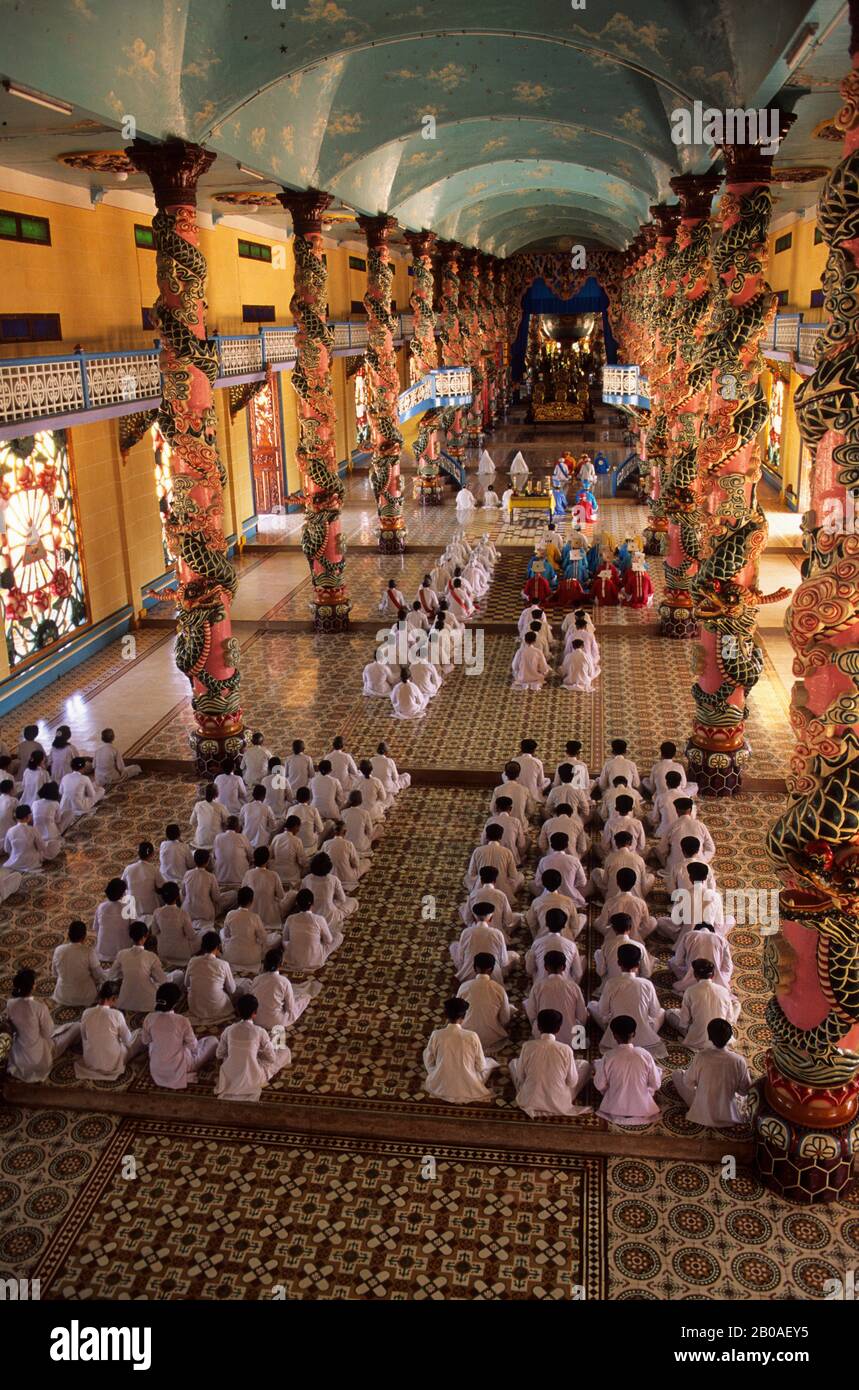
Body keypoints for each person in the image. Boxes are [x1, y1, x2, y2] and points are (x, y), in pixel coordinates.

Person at [510, 1008, 592, 1117]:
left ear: (538, 1027)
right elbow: (572, 1082)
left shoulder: (528, 1046)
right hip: (558, 1102)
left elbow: (521, 1077)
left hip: (529, 1100)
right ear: (558, 1029)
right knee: (585, 1065)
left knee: (513, 1063)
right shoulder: (565, 1049)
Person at [588, 943, 666, 1055]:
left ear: (619, 963)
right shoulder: (647, 984)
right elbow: (654, 1013)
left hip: (618, 1035)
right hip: (644, 1039)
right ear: (638, 964)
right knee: (662, 1012)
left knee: (592, 1005)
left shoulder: (611, 984)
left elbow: (603, 1012)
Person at [671, 1018, 751, 1127]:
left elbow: (688, 1083)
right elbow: (744, 1091)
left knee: (677, 1073)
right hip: (729, 1115)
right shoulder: (739, 1060)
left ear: (709, 1037)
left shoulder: (701, 1056)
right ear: (729, 1037)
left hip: (701, 1112)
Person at [6, 967, 81, 1081]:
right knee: (76, 1027)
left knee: (59, 1028)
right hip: (38, 1059)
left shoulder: (10, 1004)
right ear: (33, 986)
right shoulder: (39, 1008)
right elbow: (48, 1033)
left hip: (18, 1058)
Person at [141, 982, 218, 1090]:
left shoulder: (149, 1018)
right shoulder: (182, 1020)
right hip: (182, 1067)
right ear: (176, 1002)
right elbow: (194, 1046)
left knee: (154, 1044)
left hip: (157, 1068)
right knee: (213, 1041)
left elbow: (145, 1041)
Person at [215, 993, 292, 1101]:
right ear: (255, 1013)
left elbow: (219, 1054)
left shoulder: (229, 1030)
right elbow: (271, 1058)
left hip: (230, 1075)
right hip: (254, 1075)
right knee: (285, 1051)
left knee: (232, 1054)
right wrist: (257, 1053)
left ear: (238, 1011)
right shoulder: (259, 1031)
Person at [422, 997, 499, 1103]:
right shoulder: (472, 1036)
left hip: (440, 1084)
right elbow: (481, 1066)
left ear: (446, 1016)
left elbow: (429, 1060)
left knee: (426, 1052)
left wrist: (435, 1072)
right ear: (464, 1017)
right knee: (490, 1062)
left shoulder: (436, 1034)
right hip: (469, 1084)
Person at [592, 1016, 663, 1124]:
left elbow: (599, 1085)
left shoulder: (609, 1056)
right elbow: (656, 1085)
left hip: (613, 1107)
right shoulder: (645, 1054)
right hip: (644, 1108)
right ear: (634, 1034)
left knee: (598, 1065)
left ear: (614, 1036)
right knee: (658, 1071)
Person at [236, 944, 317, 1033]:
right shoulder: (284, 981)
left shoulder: (257, 979)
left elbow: (252, 1000)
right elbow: (289, 1008)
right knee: (304, 997)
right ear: (281, 964)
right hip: (276, 1022)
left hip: (256, 1019)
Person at [75, 980, 144, 1081]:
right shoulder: (116, 1014)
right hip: (112, 1063)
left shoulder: (86, 1012)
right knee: (139, 1034)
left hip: (90, 1062)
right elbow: (128, 1042)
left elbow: (84, 1037)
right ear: (113, 998)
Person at [664, 959, 741, 1050]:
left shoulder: (690, 991)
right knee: (736, 1004)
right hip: (721, 1036)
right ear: (713, 975)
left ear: (695, 975)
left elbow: (684, 1022)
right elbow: (729, 1019)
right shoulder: (723, 991)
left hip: (697, 1039)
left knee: (669, 1013)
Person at [111, 920, 183, 1013]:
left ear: (130, 936)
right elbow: (162, 981)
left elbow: (111, 975)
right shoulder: (151, 956)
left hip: (125, 1001)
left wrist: (128, 975)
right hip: (149, 1002)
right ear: (145, 936)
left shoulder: (121, 954)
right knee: (179, 974)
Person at [524, 950, 587, 1047]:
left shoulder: (538, 986)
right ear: (564, 967)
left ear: (545, 967)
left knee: (526, 1003)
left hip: (542, 1036)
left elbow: (531, 1014)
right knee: (582, 1026)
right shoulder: (573, 987)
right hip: (572, 1040)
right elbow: (582, 1016)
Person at [456, 953, 514, 1050]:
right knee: (510, 1009)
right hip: (492, 1038)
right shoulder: (499, 989)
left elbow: (457, 1013)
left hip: (466, 1036)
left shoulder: (464, 986)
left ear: (474, 968)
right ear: (491, 970)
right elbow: (505, 1019)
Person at [282, 887, 342, 971]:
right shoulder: (319, 919)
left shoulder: (290, 919)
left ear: (297, 904)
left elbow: (285, 940)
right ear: (313, 903)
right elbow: (328, 941)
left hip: (294, 959)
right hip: (315, 960)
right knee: (339, 936)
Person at [184, 932, 236, 1026]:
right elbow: (232, 990)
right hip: (217, 1008)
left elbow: (186, 984)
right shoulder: (223, 964)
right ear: (218, 946)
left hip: (196, 1008)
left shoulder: (193, 961)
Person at [52, 920, 106, 1006]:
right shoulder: (88, 952)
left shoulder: (58, 950)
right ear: (84, 936)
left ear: (68, 935)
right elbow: (99, 975)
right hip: (85, 996)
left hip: (62, 995)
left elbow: (55, 973)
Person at [220, 886, 273, 974]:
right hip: (251, 959)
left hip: (231, 956)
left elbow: (227, 935)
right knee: (273, 938)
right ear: (251, 901)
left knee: (221, 931)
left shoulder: (230, 914)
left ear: (237, 900)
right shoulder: (254, 917)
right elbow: (263, 938)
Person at [301, 849, 357, 927]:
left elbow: (303, 899)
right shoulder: (333, 879)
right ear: (329, 866)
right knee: (353, 902)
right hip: (330, 918)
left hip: (311, 917)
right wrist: (331, 902)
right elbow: (342, 899)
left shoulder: (306, 879)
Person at [151, 881, 199, 966]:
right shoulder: (183, 913)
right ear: (177, 896)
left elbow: (154, 932)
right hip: (182, 953)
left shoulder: (157, 912)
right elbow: (191, 936)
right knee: (203, 934)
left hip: (163, 952)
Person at [183, 848, 228, 933]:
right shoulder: (210, 877)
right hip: (205, 913)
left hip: (188, 911)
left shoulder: (187, 874)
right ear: (207, 862)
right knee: (232, 896)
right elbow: (216, 898)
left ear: (194, 861)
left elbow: (183, 893)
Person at [121, 841, 165, 924]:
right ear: (152, 854)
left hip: (131, 908)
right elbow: (161, 887)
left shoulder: (128, 868)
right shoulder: (153, 869)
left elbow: (122, 886)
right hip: (150, 907)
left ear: (138, 853)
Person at [58, 758, 105, 832]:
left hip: (64, 806)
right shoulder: (84, 778)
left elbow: (61, 792)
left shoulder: (65, 777)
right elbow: (92, 794)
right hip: (80, 806)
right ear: (83, 767)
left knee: (92, 786)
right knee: (101, 790)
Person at [4, 804, 54, 871]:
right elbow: (41, 847)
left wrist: (17, 852)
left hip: (15, 861)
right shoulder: (32, 829)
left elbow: (7, 849)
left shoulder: (10, 830)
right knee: (53, 846)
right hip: (31, 861)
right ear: (27, 816)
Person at [93, 877, 131, 961]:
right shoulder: (127, 907)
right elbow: (134, 928)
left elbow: (96, 928)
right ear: (122, 894)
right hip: (123, 949)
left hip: (103, 950)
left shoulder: (101, 907)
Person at [213, 816, 253, 889]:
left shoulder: (218, 837)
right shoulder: (242, 837)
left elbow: (215, 856)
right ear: (238, 827)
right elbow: (251, 856)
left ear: (225, 827)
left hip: (220, 879)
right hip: (240, 880)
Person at [271, 814, 309, 888]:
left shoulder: (276, 838)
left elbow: (270, 855)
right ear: (295, 826)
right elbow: (302, 861)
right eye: (298, 827)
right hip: (292, 876)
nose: (298, 830)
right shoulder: (297, 841)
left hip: (277, 874)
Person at [190, 784, 228, 849]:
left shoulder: (198, 805)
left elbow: (192, 822)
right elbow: (227, 822)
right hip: (216, 840)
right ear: (217, 794)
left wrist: (203, 825)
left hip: (201, 839)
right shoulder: (221, 807)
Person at [240, 784, 277, 849]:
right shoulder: (267, 808)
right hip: (261, 842)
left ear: (253, 795)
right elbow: (273, 826)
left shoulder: (245, 807)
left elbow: (240, 822)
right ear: (264, 796)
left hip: (246, 840)